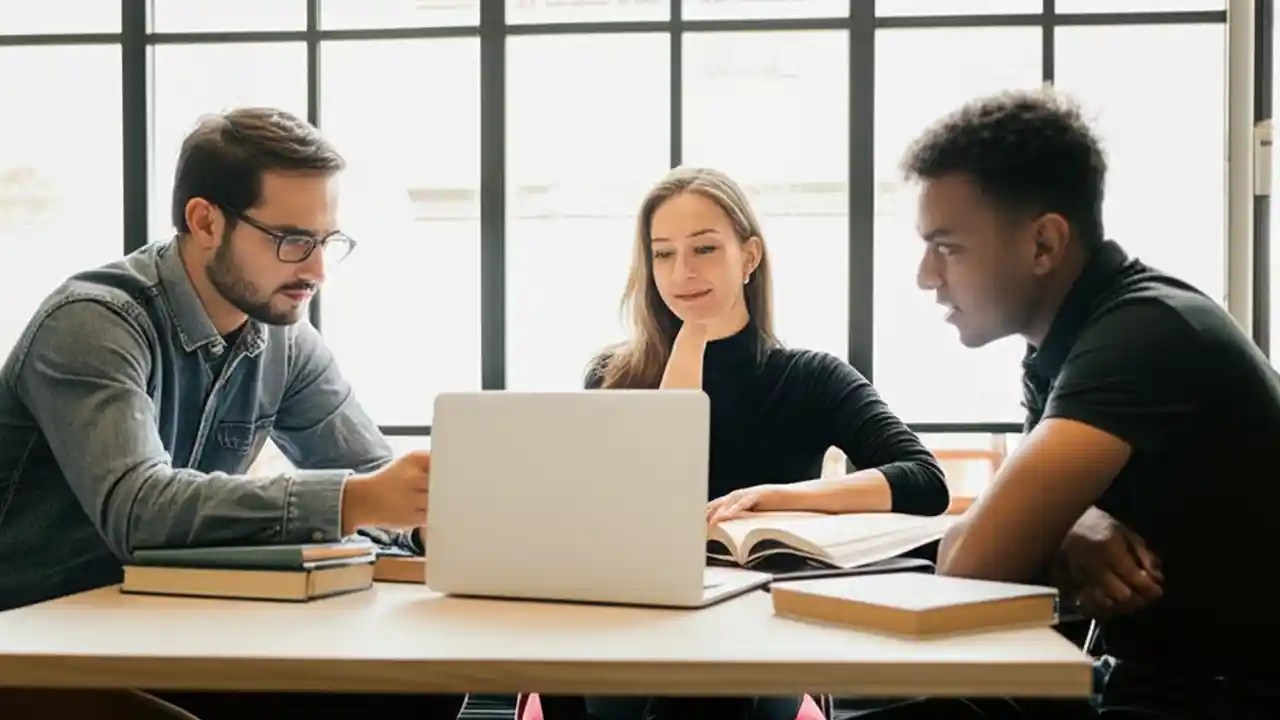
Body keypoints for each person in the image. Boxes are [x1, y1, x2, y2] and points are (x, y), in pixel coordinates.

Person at [0, 107, 464, 719]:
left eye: (328, 241)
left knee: (411, 692)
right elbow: (139, 510)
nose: (318, 270)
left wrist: (434, 521)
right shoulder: (93, 323)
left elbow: (375, 476)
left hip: (165, 627)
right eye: (293, 240)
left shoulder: (282, 338)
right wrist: (357, 501)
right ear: (205, 221)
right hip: (36, 643)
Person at [888, 87, 1280, 718]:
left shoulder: (1140, 335)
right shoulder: (1064, 343)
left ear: (1043, 244)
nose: (926, 277)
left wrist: (1052, 519)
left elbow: (972, 564)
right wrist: (1070, 519)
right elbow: (1019, 518)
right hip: (1151, 678)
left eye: (949, 247)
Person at [538, 166, 949, 720]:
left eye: (704, 249)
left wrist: (785, 496)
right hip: (629, 617)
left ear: (749, 257)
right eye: (663, 254)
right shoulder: (612, 375)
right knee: (556, 657)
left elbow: (924, 480)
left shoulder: (810, 377)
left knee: (705, 684)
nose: (682, 272)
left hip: (750, 637)